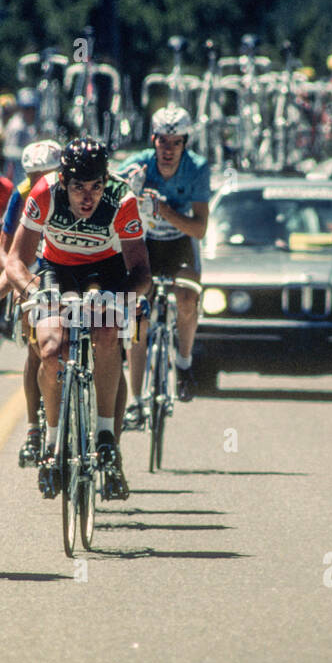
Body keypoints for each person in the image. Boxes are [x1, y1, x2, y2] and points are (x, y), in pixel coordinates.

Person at [4, 137, 150, 501]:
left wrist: (122, 301)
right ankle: (52, 443)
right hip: (57, 270)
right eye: (79, 188)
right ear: (63, 182)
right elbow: (14, 261)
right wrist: (34, 293)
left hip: (107, 271)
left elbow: (142, 271)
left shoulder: (122, 199)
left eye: (96, 187)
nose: (88, 197)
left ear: (106, 182)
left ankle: (105, 439)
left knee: (106, 332)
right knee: (51, 348)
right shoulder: (44, 193)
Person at [0, 139, 61, 466]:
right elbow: (4, 251)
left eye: (45, 174)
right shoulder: (22, 194)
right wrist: (20, 280)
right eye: (33, 175)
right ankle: (34, 428)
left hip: (66, 262)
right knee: (36, 344)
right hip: (33, 264)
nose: (39, 182)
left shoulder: (69, 190)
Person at [117, 104, 210, 424]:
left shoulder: (197, 168)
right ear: (153, 140)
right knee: (138, 316)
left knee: (187, 298)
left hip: (180, 243)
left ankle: (183, 363)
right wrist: (127, 189)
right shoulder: (137, 165)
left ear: (185, 144)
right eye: (163, 143)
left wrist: (165, 211)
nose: (169, 150)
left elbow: (199, 228)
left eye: (177, 143)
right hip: (145, 244)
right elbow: (108, 192)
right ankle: (136, 400)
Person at [3, 89, 40, 183]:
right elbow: (9, 151)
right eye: (27, 109)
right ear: (20, 108)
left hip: (26, 169)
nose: (30, 112)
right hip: (16, 171)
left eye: (33, 109)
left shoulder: (30, 126)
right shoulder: (16, 127)